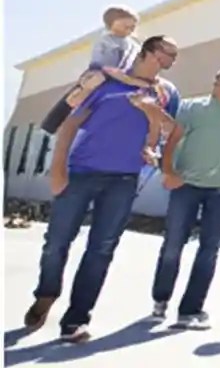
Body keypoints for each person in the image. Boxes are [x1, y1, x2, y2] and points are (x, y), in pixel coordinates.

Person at [24, 36, 181, 343]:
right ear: (148, 51)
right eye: (168, 54)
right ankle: (46, 293)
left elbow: (167, 130)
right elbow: (69, 125)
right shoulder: (106, 83)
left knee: (101, 250)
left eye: (175, 57)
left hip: (123, 181)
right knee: (56, 242)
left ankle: (75, 321)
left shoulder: (162, 93)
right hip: (81, 173)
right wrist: (58, 170)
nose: (172, 61)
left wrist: (151, 113)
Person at [151, 63, 220, 330]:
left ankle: (190, 310)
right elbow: (173, 142)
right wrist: (167, 172)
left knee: (209, 250)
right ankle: (160, 300)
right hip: (186, 186)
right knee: (173, 245)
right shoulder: (193, 108)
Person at [39, 5, 156, 136]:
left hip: (122, 75)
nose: (130, 29)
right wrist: (128, 79)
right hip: (102, 72)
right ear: (111, 24)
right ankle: (52, 124)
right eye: (126, 25)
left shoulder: (134, 44)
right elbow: (106, 67)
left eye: (133, 26)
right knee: (87, 87)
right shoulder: (107, 40)